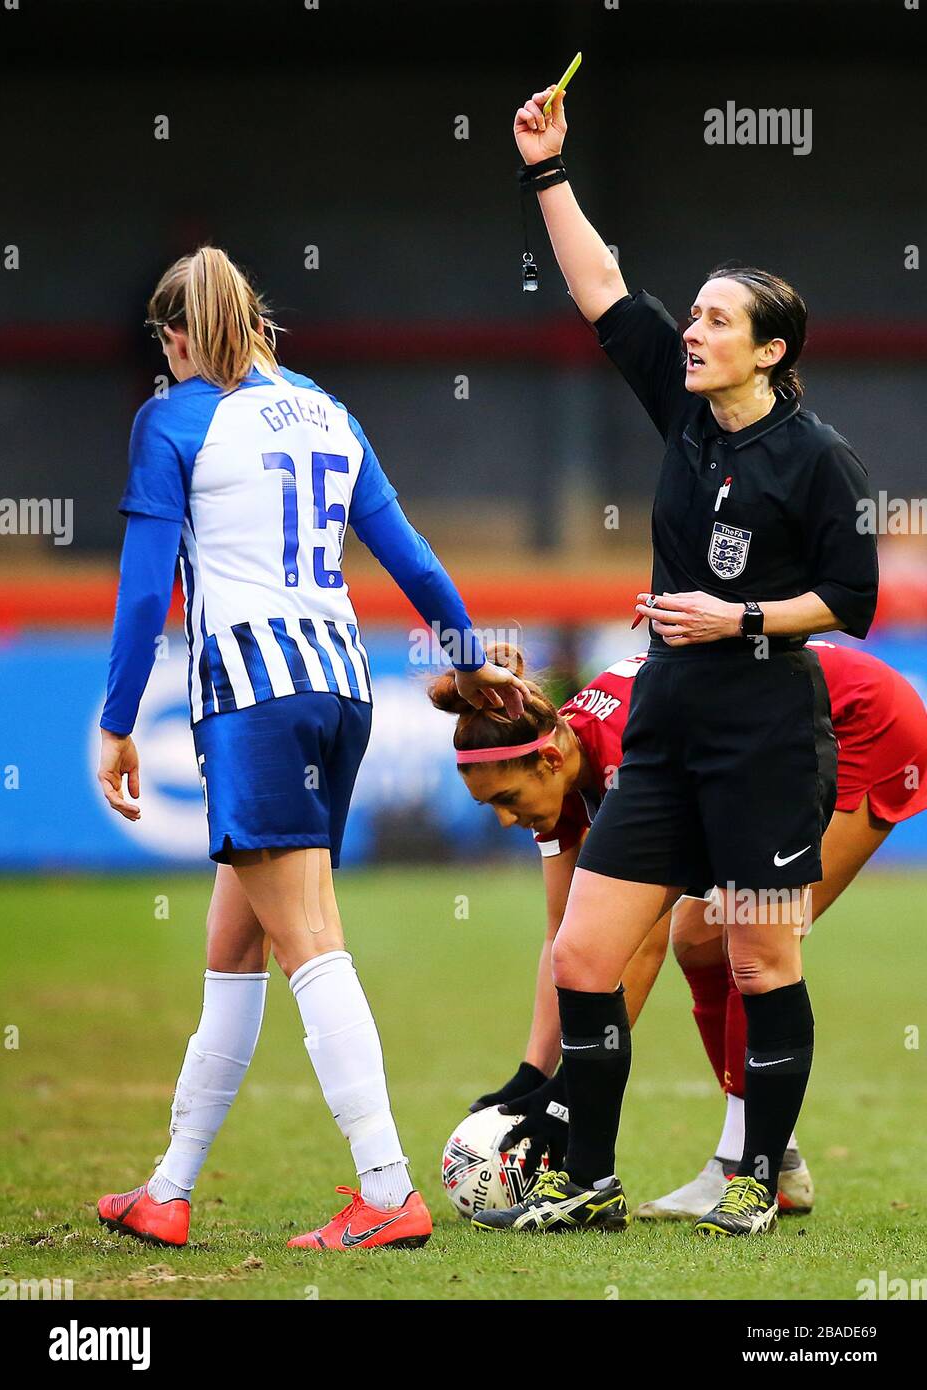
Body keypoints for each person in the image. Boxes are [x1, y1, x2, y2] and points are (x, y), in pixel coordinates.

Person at [467, 80, 879, 1238]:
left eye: (712, 321)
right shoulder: (685, 410)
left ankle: (753, 1176)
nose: (689, 332)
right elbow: (600, 285)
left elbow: (854, 601)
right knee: (585, 952)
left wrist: (739, 621)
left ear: (770, 349)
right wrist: (544, 169)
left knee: (755, 959)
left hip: (760, 742)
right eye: (689, 317)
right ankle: (586, 1172)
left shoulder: (820, 463)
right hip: (662, 733)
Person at [95, 246, 527, 1253]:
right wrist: (464, 657)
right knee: (235, 951)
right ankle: (169, 1187)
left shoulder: (172, 417)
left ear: (176, 336)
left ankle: (386, 1187)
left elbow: (142, 585)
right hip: (340, 686)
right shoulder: (326, 409)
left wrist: (118, 721)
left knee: (309, 939)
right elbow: (408, 551)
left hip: (253, 697)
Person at [429, 640, 927, 1215]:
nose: (506, 819)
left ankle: (754, 1166)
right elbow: (564, 937)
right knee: (702, 939)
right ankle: (766, 1159)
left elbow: (635, 945)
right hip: (772, 733)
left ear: (549, 761)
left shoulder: (623, 750)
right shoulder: (557, 765)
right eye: (492, 806)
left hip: (864, 723)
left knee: (753, 941)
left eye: (509, 799)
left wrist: (571, 1093)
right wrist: (533, 1075)